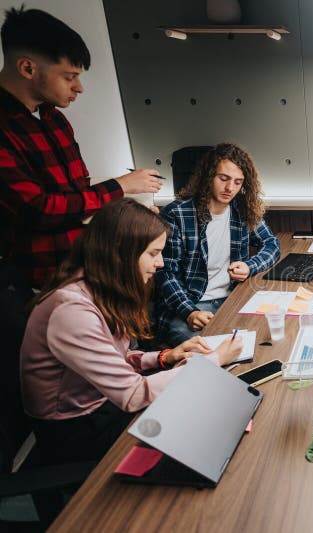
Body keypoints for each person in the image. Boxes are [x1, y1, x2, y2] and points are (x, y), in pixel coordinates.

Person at [20, 199, 242, 464]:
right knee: (201, 431)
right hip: (76, 430)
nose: (160, 263)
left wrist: (164, 357)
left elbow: (113, 360)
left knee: (205, 417)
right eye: (153, 253)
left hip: (102, 404)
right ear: (120, 253)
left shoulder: (97, 288)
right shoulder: (71, 311)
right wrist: (213, 361)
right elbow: (132, 395)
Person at [0, 6, 162, 291]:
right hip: (36, 285)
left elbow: (76, 199)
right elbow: (39, 210)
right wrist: (120, 186)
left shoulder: (54, 118)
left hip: (81, 272)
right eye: (69, 76)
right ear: (27, 68)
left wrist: (130, 215)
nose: (79, 87)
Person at [155, 143, 280, 346]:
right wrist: (190, 312)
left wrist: (250, 266)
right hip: (191, 304)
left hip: (234, 298)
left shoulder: (242, 208)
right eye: (224, 179)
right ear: (208, 177)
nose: (230, 188)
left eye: (238, 182)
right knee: (204, 352)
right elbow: (166, 273)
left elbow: (271, 243)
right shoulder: (177, 213)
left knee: (265, 339)